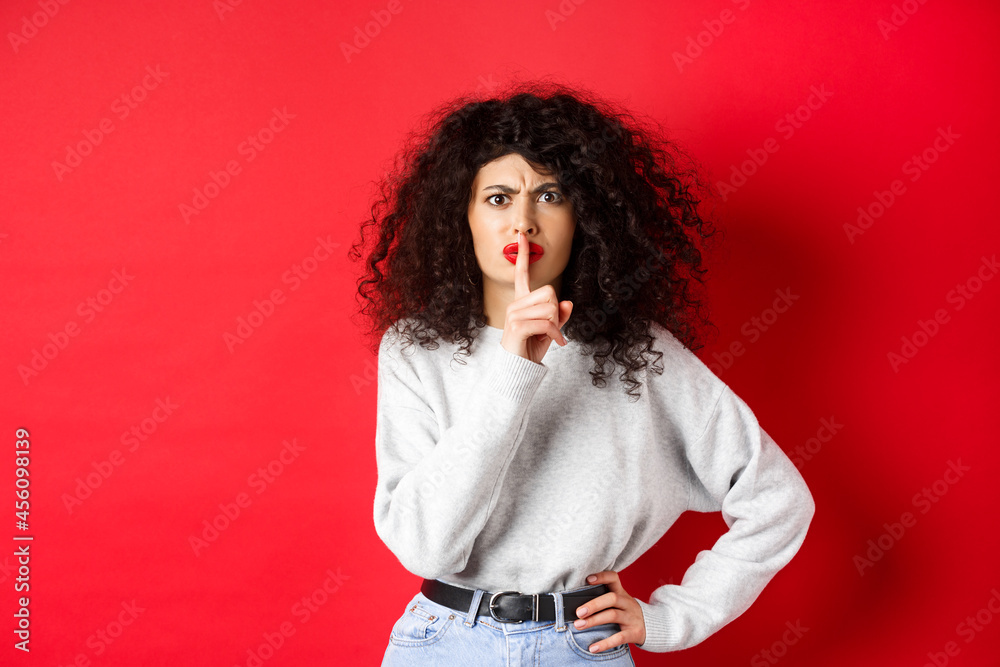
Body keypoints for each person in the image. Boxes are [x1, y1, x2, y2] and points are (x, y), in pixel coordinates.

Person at [349, 80, 816, 665]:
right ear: (461, 216)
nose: (523, 223)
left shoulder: (640, 354)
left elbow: (776, 499)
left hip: (582, 645)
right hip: (443, 643)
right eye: (497, 198)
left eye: (549, 196)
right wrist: (515, 368)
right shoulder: (416, 351)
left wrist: (673, 618)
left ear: (584, 217)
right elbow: (423, 547)